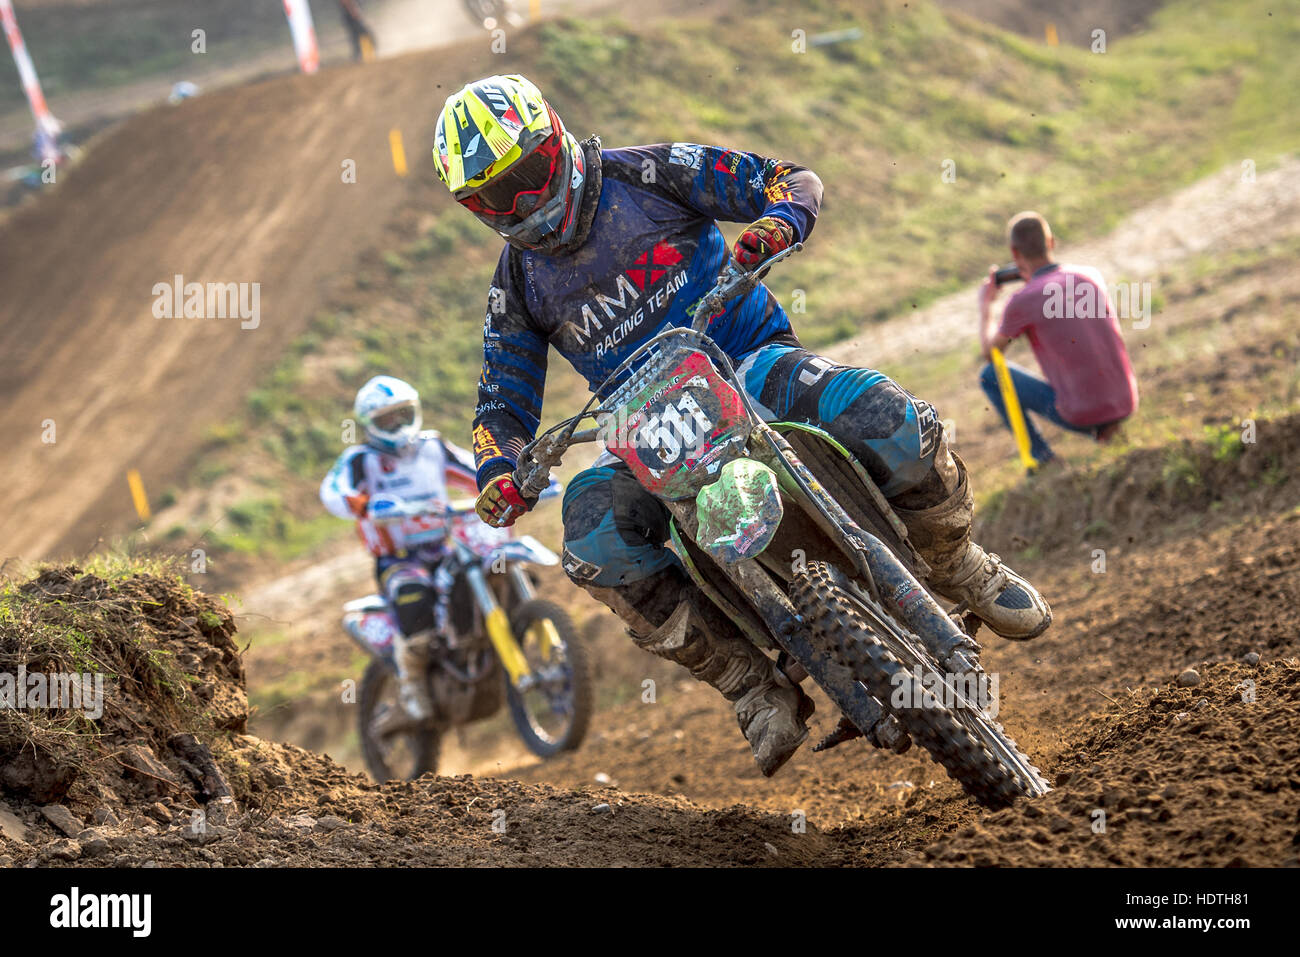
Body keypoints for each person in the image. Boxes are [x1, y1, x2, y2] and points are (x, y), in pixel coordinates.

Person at [432, 74, 1052, 777]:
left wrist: (777, 222)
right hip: (642, 429)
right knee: (589, 537)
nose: (521, 204)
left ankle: (959, 562)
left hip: (750, 362)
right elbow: (500, 406)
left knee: (885, 414)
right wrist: (498, 472)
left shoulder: (648, 172)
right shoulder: (514, 285)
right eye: (492, 198)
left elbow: (789, 179)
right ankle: (750, 684)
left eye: (528, 175)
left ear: (556, 138)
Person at [320, 375, 478, 723]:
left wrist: (515, 481)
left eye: (402, 414)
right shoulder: (360, 459)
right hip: (398, 559)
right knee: (413, 596)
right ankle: (411, 685)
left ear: (415, 411)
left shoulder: (433, 446)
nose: (396, 424)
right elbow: (332, 490)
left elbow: (476, 471)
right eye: (385, 419)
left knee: (481, 574)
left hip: (445, 548)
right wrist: (363, 504)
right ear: (370, 425)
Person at [978, 211, 1139, 466]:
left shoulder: (1023, 300)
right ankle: (1111, 431)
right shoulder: (1090, 275)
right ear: (1051, 243)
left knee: (989, 375)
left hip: (1081, 413)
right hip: (1126, 400)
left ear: (1015, 253)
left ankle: (1042, 459)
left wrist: (985, 305)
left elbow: (991, 353)